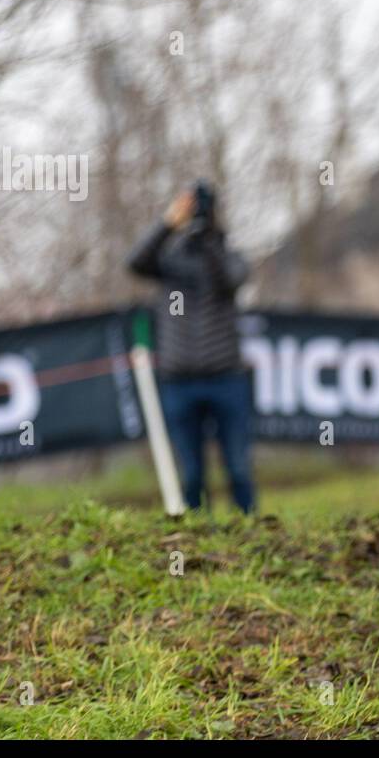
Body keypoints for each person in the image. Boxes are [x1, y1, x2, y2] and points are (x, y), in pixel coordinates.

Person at [127, 182, 256, 515]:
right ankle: (197, 544)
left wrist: (211, 237)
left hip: (227, 377)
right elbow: (135, 262)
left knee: (239, 468)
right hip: (179, 379)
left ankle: (254, 535)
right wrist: (169, 223)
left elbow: (233, 278)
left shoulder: (228, 255)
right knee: (192, 473)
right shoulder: (170, 259)